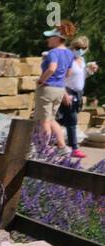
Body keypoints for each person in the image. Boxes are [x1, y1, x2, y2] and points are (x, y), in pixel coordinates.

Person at [35, 22, 79, 155]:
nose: (48, 39)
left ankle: (42, 149)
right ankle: (62, 147)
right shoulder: (70, 54)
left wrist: (41, 80)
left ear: (57, 38)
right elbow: (69, 72)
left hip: (48, 88)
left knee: (44, 121)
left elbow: (52, 68)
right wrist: (60, 80)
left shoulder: (53, 53)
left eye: (50, 36)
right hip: (59, 89)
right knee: (51, 119)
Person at [58, 35, 98, 159]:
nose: (80, 50)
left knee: (61, 120)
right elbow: (60, 78)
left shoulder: (82, 60)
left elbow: (79, 78)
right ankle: (74, 148)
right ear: (72, 46)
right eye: (77, 47)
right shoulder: (68, 60)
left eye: (83, 48)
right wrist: (64, 94)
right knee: (72, 121)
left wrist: (89, 71)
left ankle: (45, 140)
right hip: (67, 92)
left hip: (78, 93)